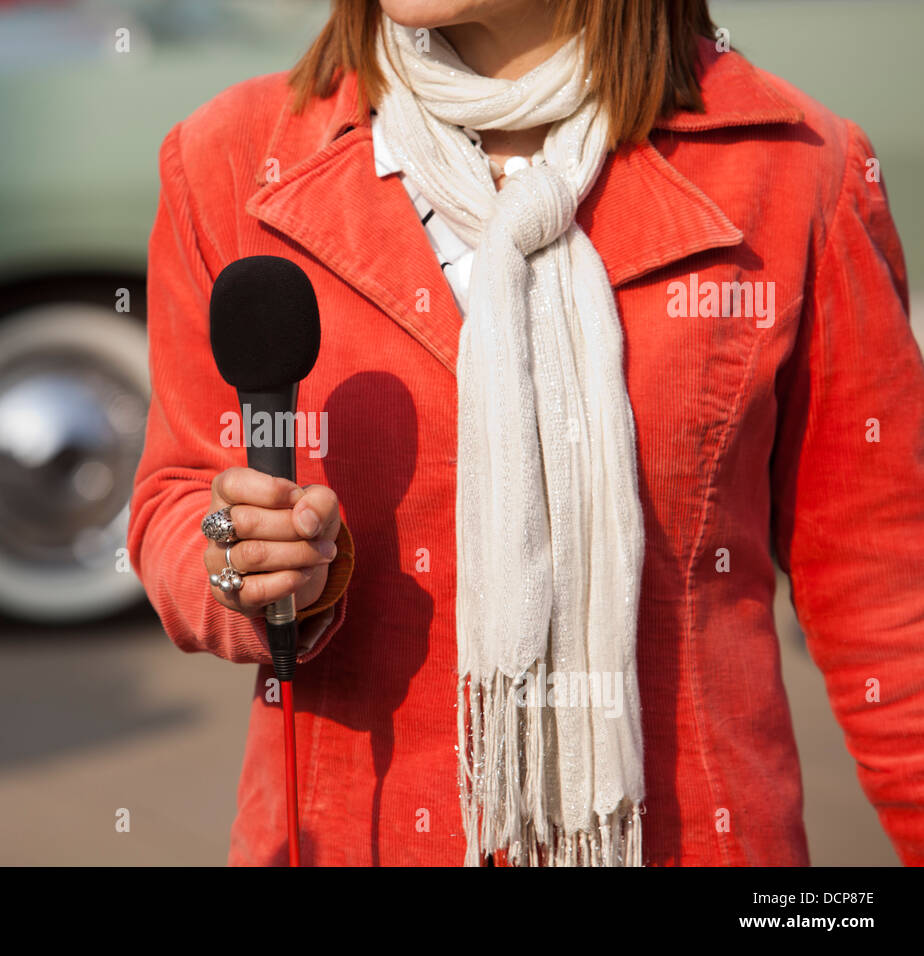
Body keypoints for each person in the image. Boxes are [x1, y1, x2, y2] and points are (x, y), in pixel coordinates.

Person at [128, 0, 924, 866]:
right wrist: (237, 558)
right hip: (353, 837)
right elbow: (177, 499)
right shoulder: (230, 158)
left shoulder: (797, 166)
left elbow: (888, 603)